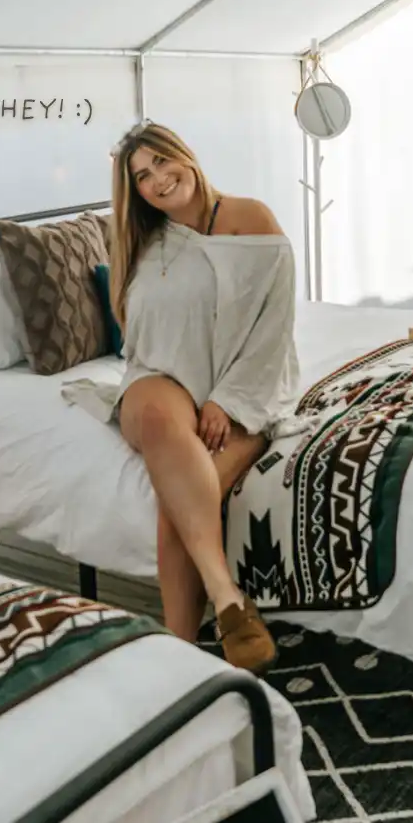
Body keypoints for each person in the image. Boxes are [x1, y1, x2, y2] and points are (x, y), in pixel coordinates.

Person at [69, 119, 300, 675]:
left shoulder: (251, 219)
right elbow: (140, 339)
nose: (158, 180)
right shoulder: (142, 242)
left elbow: (274, 325)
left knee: (181, 499)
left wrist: (226, 400)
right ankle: (227, 600)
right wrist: (191, 397)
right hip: (159, 379)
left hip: (240, 384)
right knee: (156, 418)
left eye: (161, 163)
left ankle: (181, 655)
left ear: (185, 156)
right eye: (142, 177)